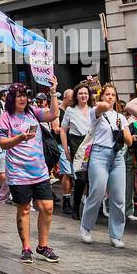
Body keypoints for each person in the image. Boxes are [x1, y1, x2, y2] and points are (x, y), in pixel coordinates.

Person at [0, 80, 60, 263]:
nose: (22, 99)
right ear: (11, 98)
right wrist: (20, 138)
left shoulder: (33, 112)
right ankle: (26, 248)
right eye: (18, 96)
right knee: (24, 209)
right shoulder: (6, 117)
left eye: (24, 95)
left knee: (47, 208)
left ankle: (43, 246)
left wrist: (53, 93)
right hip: (18, 173)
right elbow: (2, 143)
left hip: (39, 171)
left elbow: (53, 114)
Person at [80, 83, 132, 248]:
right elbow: (102, 106)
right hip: (99, 155)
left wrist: (121, 131)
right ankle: (86, 227)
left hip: (117, 156)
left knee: (118, 198)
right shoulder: (96, 112)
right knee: (97, 192)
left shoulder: (120, 117)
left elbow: (129, 141)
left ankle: (116, 235)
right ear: (101, 96)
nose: (110, 97)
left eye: (113, 95)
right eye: (107, 94)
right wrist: (101, 101)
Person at [62, 84, 94, 217]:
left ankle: (91, 207)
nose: (83, 96)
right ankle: (75, 206)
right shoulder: (70, 110)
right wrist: (66, 150)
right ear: (76, 95)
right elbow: (63, 130)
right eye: (80, 93)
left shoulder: (93, 109)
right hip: (76, 144)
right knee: (80, 178)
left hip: (92, 143)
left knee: (92, 178)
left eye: (85, 93)